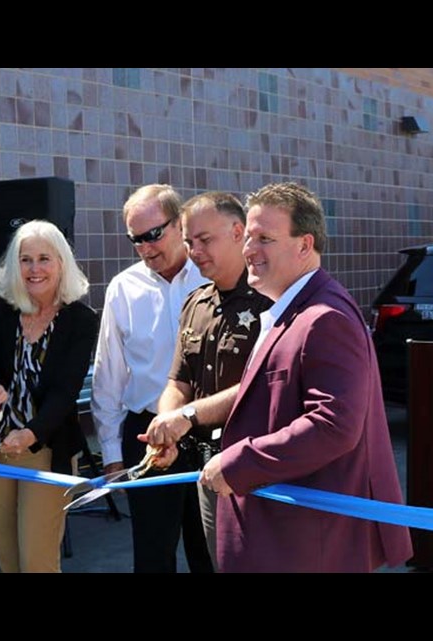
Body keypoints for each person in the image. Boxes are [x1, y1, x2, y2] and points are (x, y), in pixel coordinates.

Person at [199, 182, 413, 573]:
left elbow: (333, 426)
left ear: (304, 245)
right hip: (289, 538)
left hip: (307, 546)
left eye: (265, 238)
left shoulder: (324, 318)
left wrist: (239, 464)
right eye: (248, 237)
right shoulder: (296, 310)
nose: (249, 250)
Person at [139, 191, 272, 566]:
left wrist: (186, 416)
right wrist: (165, 424)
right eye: (189, 241)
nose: (195, 250)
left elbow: (257, 386)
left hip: (256, 470)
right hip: (203, 469)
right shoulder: (196, 303)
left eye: (205, 240)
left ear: (237, 232)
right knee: (208, 562)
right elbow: (178, 381)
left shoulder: (271, 301)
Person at [0, 219, 98, 573]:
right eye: (25, 260)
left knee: (36, 562)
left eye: (44, 258)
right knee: (9, 561)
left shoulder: (81, 320)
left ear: (62, 263)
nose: (34, 269)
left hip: (45, 448)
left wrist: (31, 433)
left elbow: (65, 392)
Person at [91, 184, 213, 573]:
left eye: (153, 234)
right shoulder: (124, 288)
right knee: (152, 554)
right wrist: (111, 454)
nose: (145, 248)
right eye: (136, 240)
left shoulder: (215, 276)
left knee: (211, 551)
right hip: (149, 436)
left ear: (180, 225)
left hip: (210, 430)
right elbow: (108, 374)